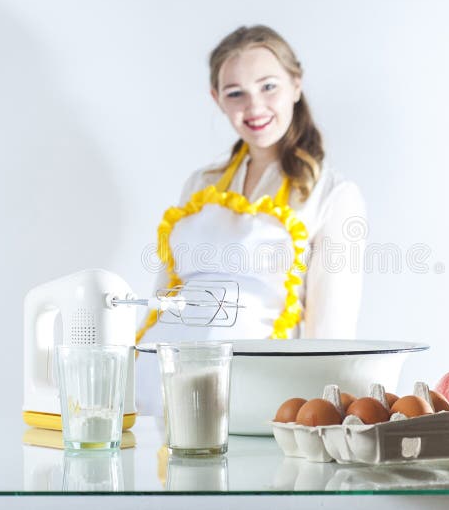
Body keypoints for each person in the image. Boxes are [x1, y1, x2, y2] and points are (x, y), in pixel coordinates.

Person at [135, 25, 366, 414]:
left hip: (253, 395)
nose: (255, 106)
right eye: (235, 93)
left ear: (296, 84)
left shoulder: (332, 196)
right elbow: (165, 295)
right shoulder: (199, 185)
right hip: (154, 379)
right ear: (217, 99)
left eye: (269, 86)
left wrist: (318, 417)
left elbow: (330, 333)